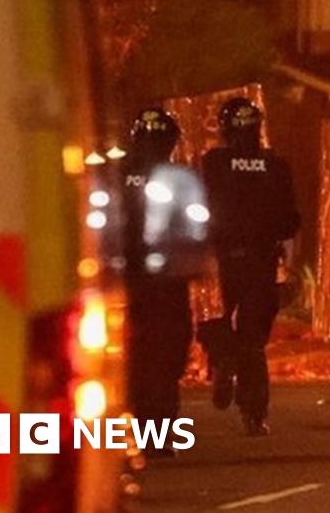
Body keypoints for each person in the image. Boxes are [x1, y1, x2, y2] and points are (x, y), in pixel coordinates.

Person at [200, 98, 300, 436]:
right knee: (253, 339)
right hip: (262, 261)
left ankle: (224, 359)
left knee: (213, 320)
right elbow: (290, 222)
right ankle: (254, 413)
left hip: (222, 259)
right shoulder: (276, 167)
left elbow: (199, 208)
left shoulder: (212, 163)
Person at [122, 107, 195, 456]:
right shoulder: (180, 179)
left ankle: (149, 430)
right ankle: (157, 432)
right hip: (163, 285)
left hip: (132, 282)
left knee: (142, 356)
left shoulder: (114, 175)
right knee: (164, 358)